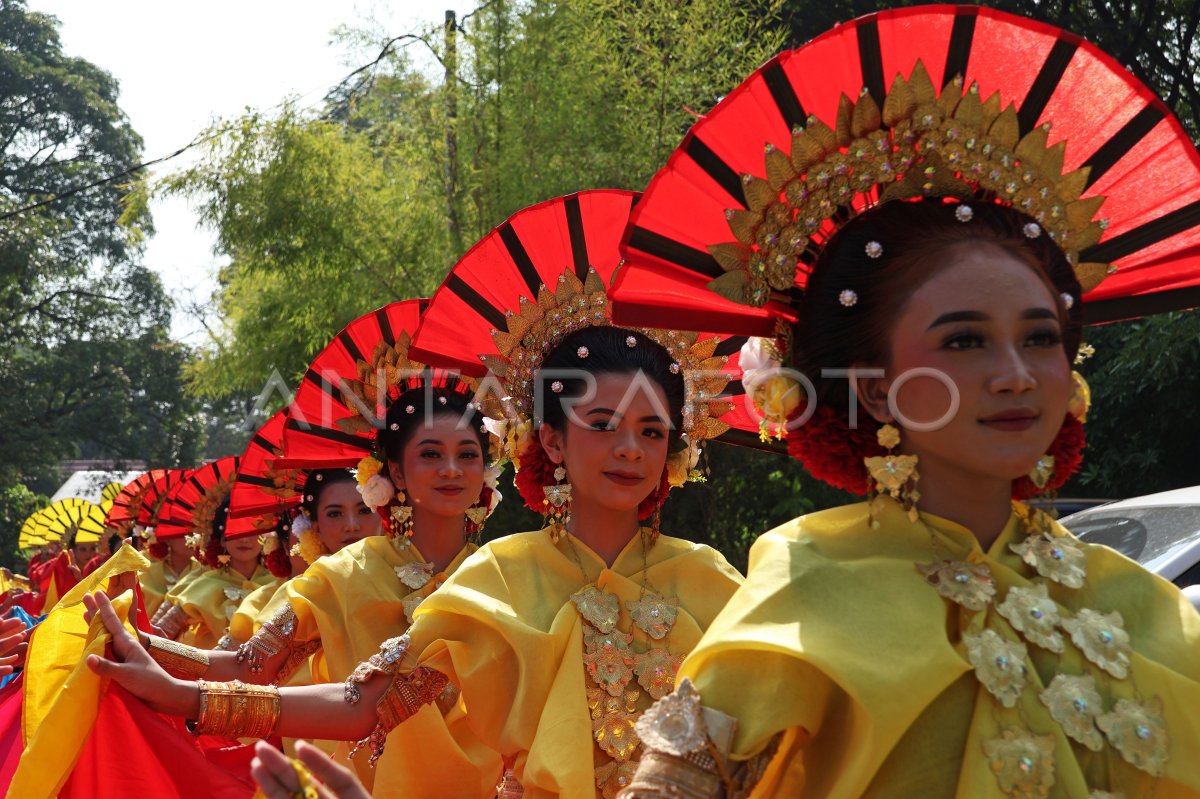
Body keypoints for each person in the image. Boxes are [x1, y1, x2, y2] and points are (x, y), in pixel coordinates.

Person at [607, 8, 1200, 797]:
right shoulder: (804, 592)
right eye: (964, 340)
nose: (1015, 374)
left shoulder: (1139, 602)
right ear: (875, 385)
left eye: (1039, 337)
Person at [83, 224, 748, 798]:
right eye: (602, 424)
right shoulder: (498, 578)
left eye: (652, 431)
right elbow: (362, 702)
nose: (630, 449)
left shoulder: (713, 580)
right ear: (550, 441)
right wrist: (184, 694)